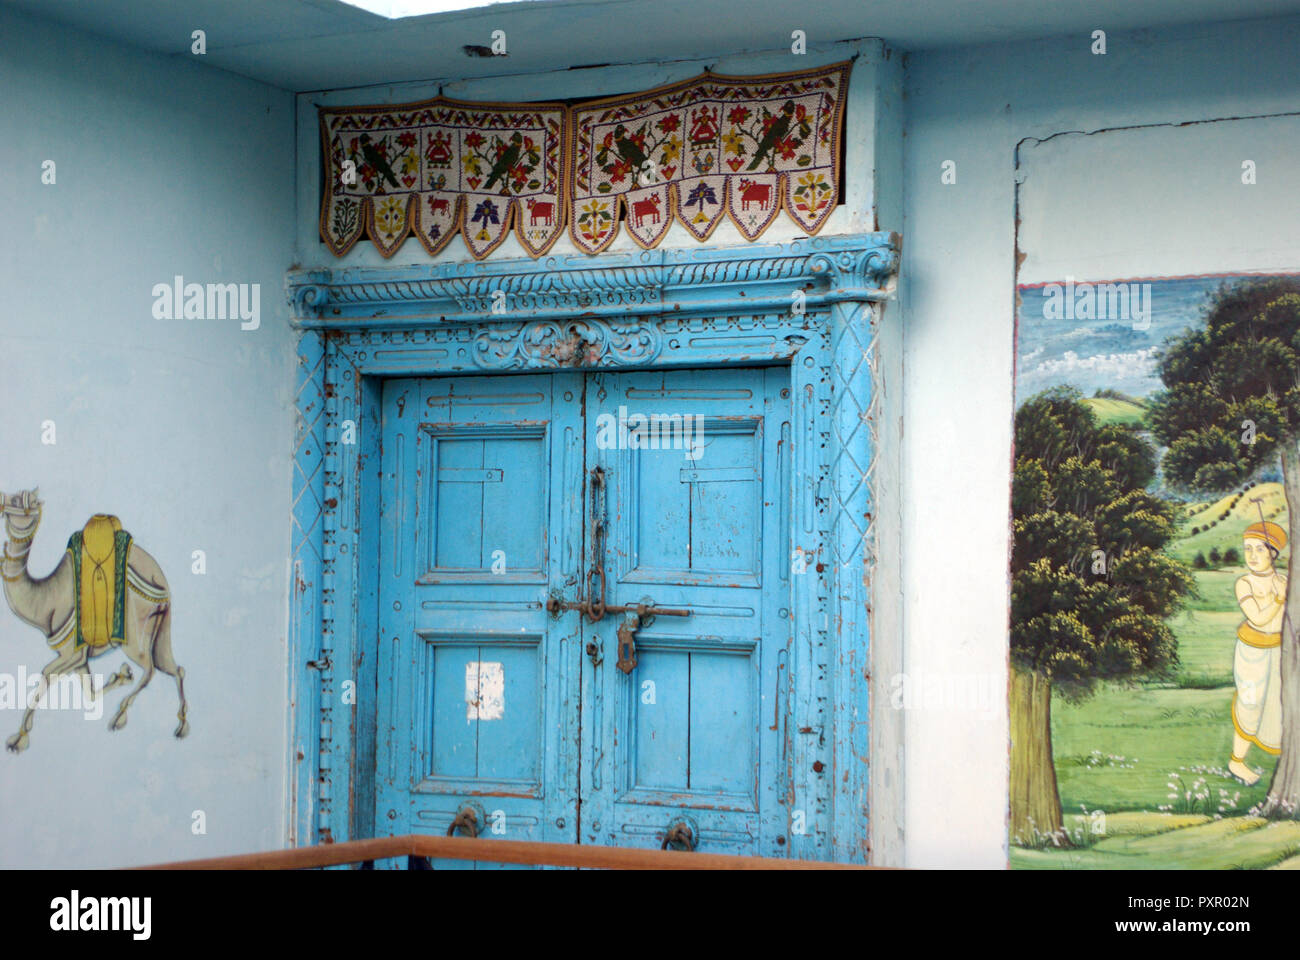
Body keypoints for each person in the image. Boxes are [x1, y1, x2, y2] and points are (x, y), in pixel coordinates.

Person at [1229, 521, 1288, 785]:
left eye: (1259, 550)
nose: (1251, 556)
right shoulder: (1244, 583)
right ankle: (1236, 762)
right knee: (1250, 703)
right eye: (1247, 549)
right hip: (1251, 652)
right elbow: (1258, 618)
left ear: (1273, 553)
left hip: (1280, 651)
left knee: (1278, 705)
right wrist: (1278, 599)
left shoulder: (1285, 581)